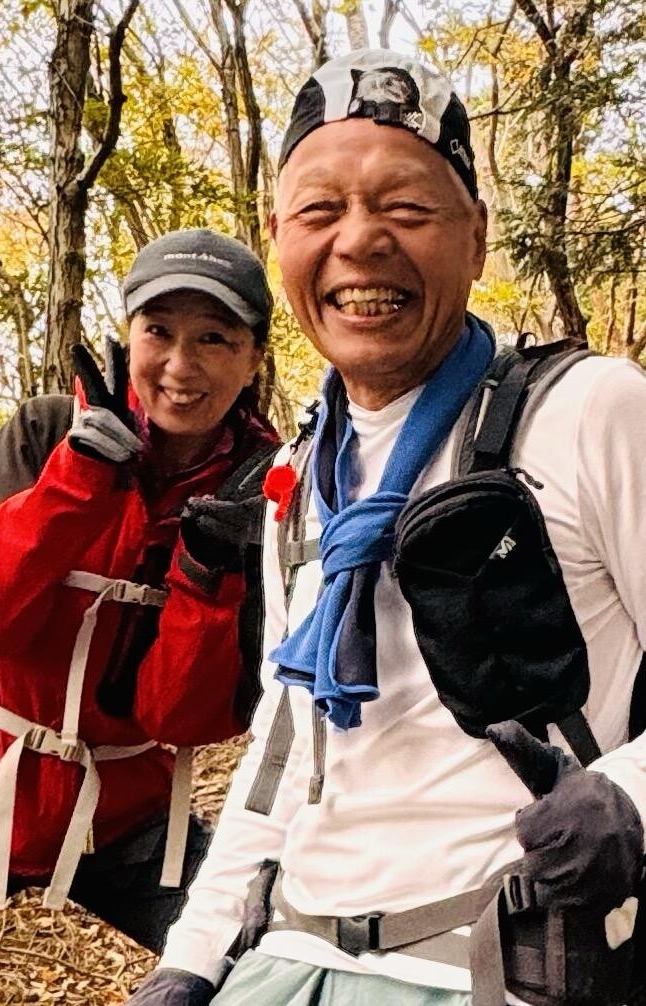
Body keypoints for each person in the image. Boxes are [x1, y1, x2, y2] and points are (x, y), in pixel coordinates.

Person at [125, 51, 646, 1006]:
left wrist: (630, 800)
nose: (360, 242)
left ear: (477, 236)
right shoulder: (298, 475)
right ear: (279, 236)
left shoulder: (591, 412)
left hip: (501, 953)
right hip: (292, 953)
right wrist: (192, 961)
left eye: (406, 208)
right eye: (320, 211)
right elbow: (288, 751)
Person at [0, 228, 280, 1006]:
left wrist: (208, 574)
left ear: (254, 358)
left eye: (214, 338)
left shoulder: (262, 488)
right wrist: (76, 480)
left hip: (125, 812)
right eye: (158, 331)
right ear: (126, 333)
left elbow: (184, 715)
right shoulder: (43, 432)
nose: (180, 364)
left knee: (267, 965)